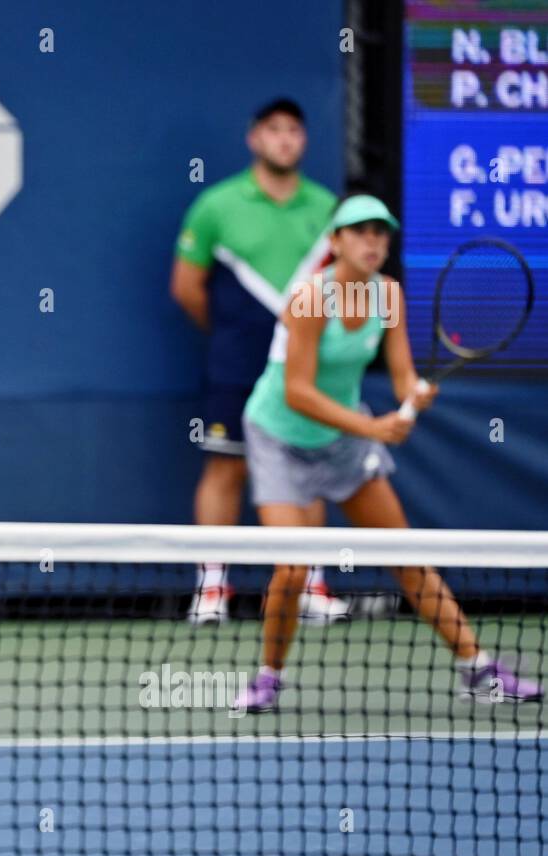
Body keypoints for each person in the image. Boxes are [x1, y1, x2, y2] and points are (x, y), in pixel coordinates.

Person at [233, 194, 543, 712]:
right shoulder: (309, 298)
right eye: (360, 231)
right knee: (290, 570)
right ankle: (269, 677)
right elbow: (298, 392)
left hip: (347, 440)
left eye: (380, 232)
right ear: (335, 242)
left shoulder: (389, 296)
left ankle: (478, 669)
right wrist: (371, 426)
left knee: (407, 557)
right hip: (281, 437)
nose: (372, 241)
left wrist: (413, 393)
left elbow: (401, 372)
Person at [172, 98, 348, 625]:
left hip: (303, 361)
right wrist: (233, 334)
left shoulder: (327, 210)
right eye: (274, 130)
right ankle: (211, 590)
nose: (285, 139)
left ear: (305, 140)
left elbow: (344, 288)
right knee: (224, 465)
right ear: (254, 138)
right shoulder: (216, 206)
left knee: (307, 469)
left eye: (294, 130)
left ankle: (310, 584)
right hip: (235, 360)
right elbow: (187, 289)